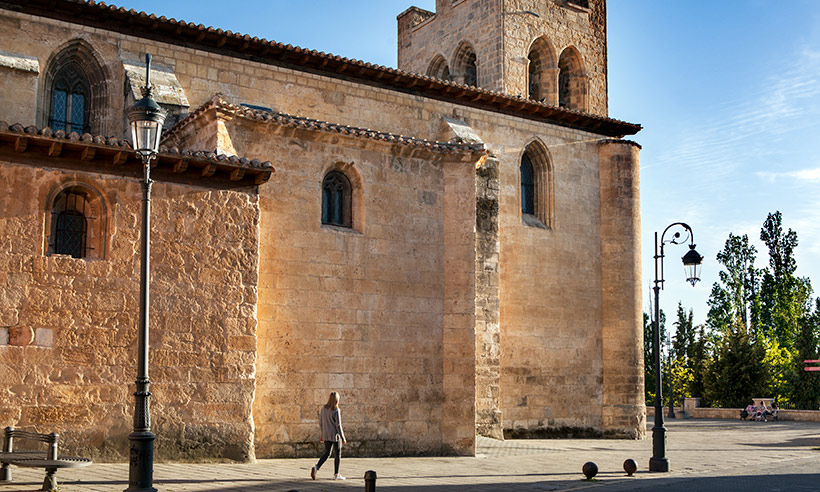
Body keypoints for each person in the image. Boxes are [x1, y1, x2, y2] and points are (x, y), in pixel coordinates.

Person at [311, 391, 347, 481]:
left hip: (326, 434)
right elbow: (338, 425)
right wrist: (343, 437)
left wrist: (322, 434)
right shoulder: (336, 410)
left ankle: (316, 467)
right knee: (337, 454)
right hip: (335, 435)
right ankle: (336, 474)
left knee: (327, 453)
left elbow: (321, 423)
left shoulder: (323, 409)